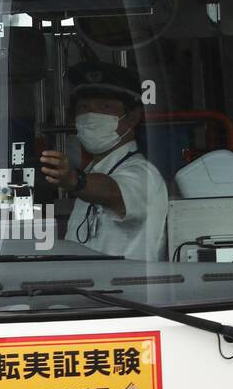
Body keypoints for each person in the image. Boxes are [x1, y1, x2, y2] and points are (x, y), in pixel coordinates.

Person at [40, 62, 168, 260]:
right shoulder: (94, 170)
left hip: (125, 289)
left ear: (132, 117)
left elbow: (113, 191)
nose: (91, 115)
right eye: (83, 107)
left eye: (104, 106)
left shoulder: (144, 173)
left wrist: (74, 179)